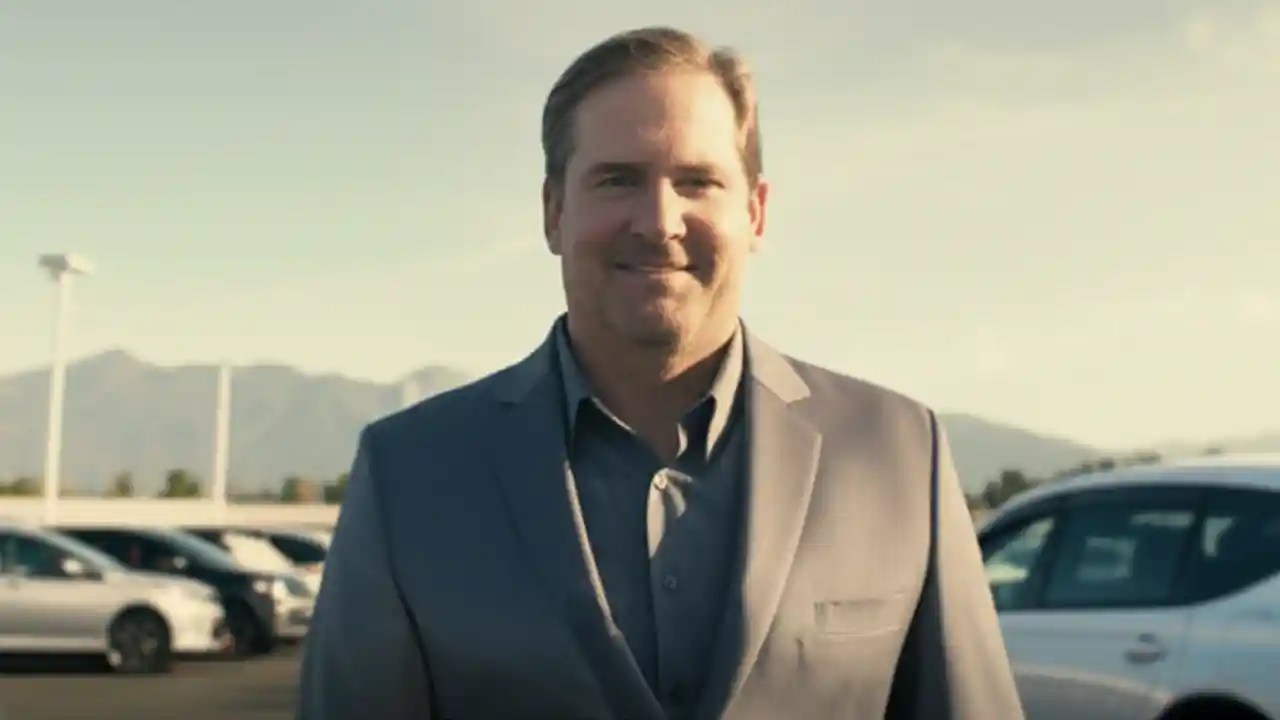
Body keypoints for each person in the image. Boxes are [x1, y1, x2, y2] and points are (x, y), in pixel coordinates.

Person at [298, 26, 1024, 720]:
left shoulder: (898, 454)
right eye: (618, 180)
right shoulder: (410, 474)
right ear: (553, 213)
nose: (660, 220)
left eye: (698, 181)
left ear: (757, 212)